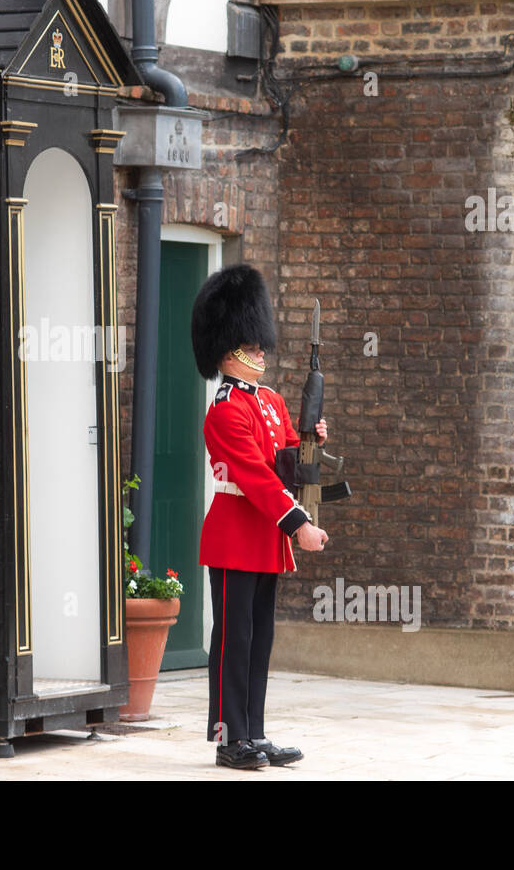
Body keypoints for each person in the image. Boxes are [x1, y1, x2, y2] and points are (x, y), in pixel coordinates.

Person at [190, 263, 329, 770]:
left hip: (265, 536)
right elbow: (254, 476)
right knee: (234, 640)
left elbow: (286, 459)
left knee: (261, 639)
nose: (262, 352)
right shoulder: (225, 410)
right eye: (253, 345)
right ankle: (230, 738)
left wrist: (313, 438)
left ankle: (256, 732)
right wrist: (300, 525)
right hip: (235, 534)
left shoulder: (268, 401)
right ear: (230, 351)